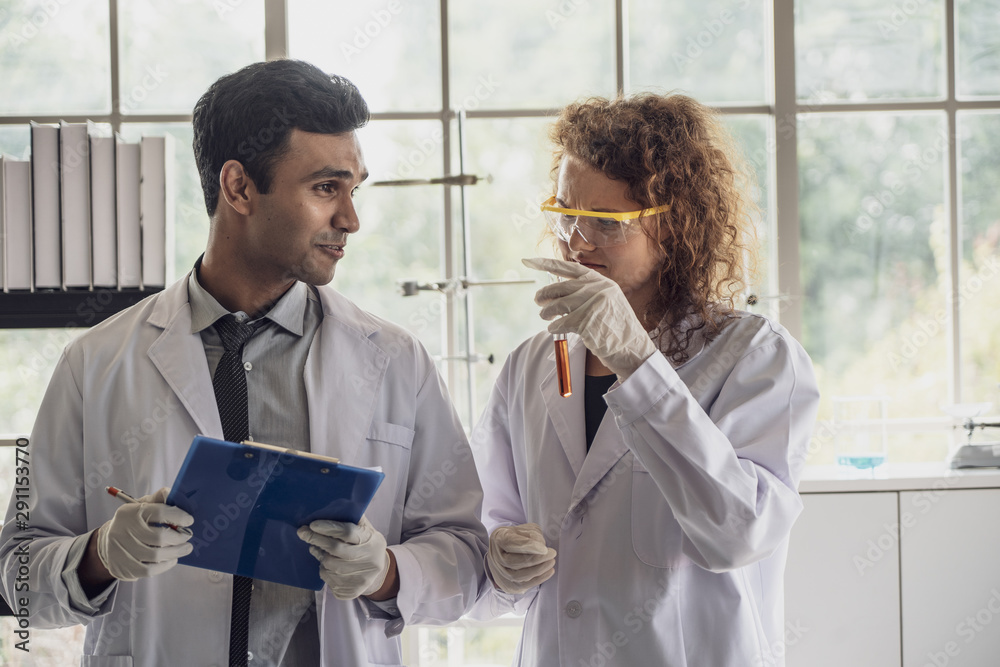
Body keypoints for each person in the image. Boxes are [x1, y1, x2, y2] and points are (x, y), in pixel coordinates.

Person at [0, 59, 487, 666]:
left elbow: (468, 555)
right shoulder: (93, 361)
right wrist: (101, 555)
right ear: (239, 189)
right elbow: (15, 570)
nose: (351, 220)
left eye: (353, 189)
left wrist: (387, 571)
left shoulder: (395, 359)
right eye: (325, 188)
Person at [469, 93, 820, 666]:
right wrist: (498, 553)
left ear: (676, 225)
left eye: (605, 223)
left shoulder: (755, 355)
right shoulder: (531, 363)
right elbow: (492, 525)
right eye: (566, 214)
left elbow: (738, 534)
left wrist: (635, 360)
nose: (577, 240)